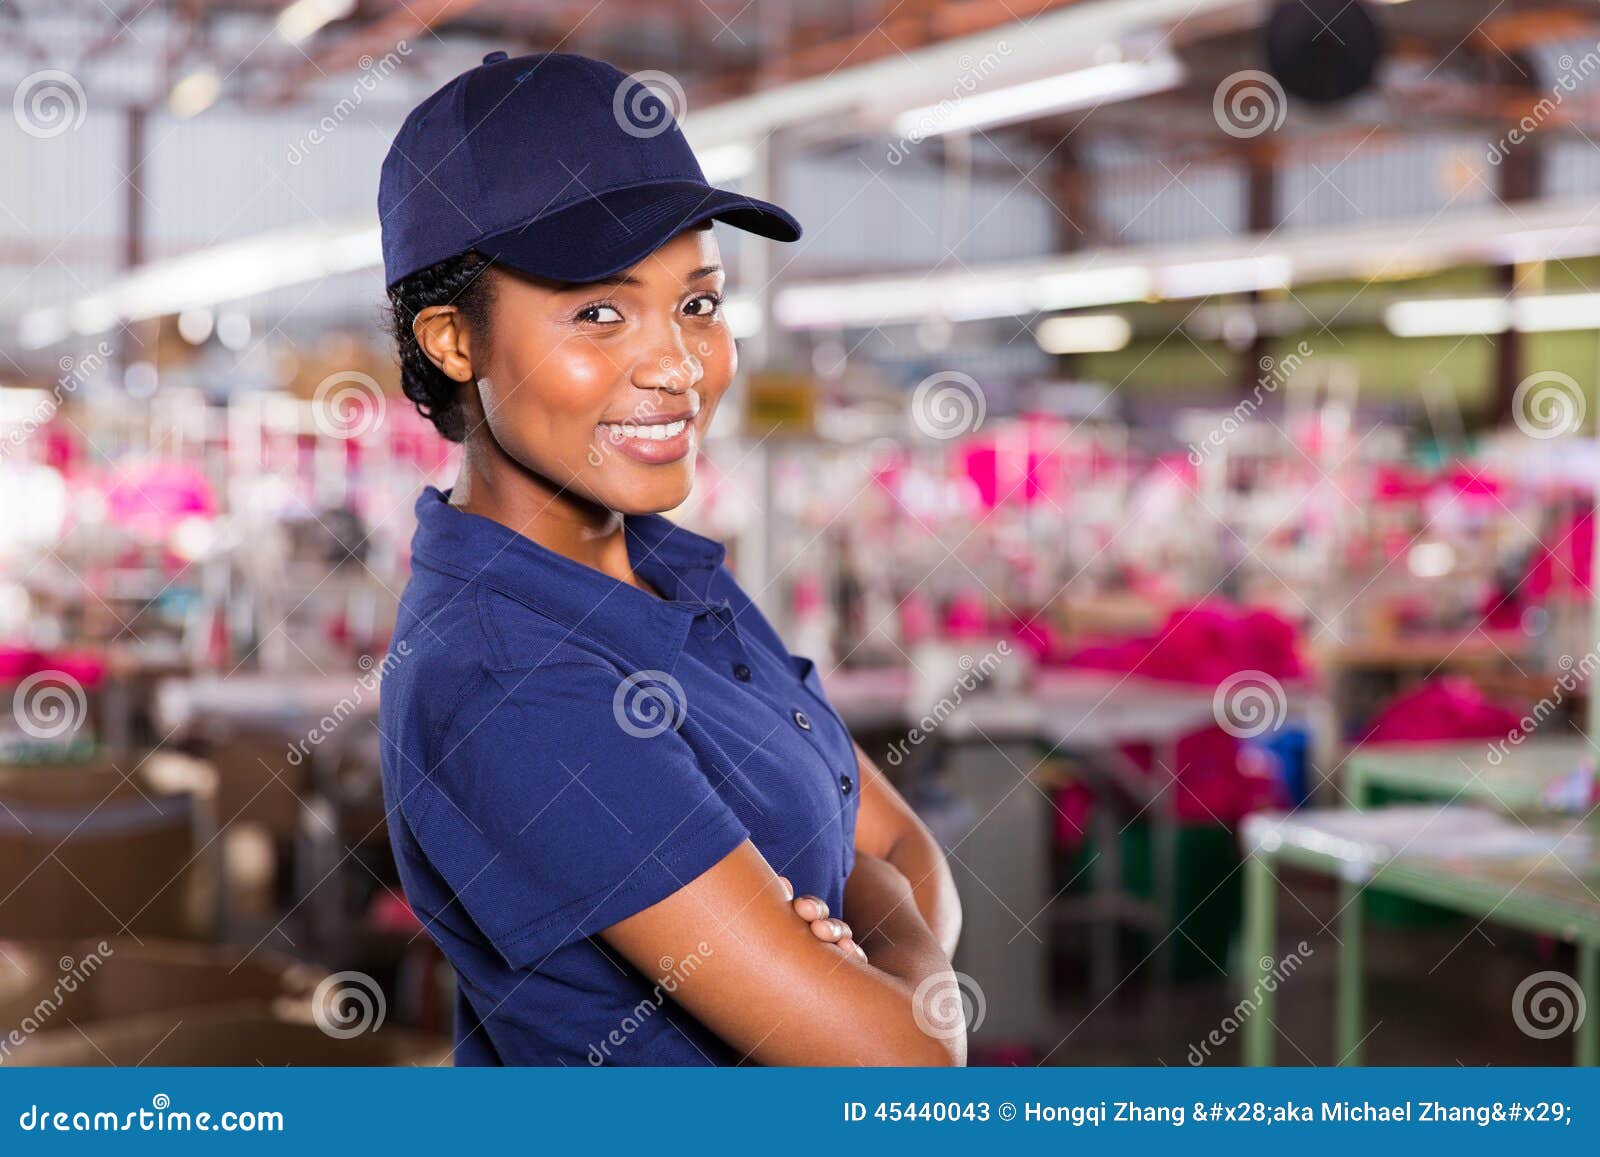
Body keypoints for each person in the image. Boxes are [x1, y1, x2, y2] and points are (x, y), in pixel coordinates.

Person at [376, 50, 962, 1066]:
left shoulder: (669, 571)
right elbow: (902, 1062)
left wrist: (881, 919)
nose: (679, 365)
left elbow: (907, 847)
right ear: (452, 342)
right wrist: (888, 934)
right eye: (599, 313)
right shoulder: (507, 677)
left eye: (698, 303)